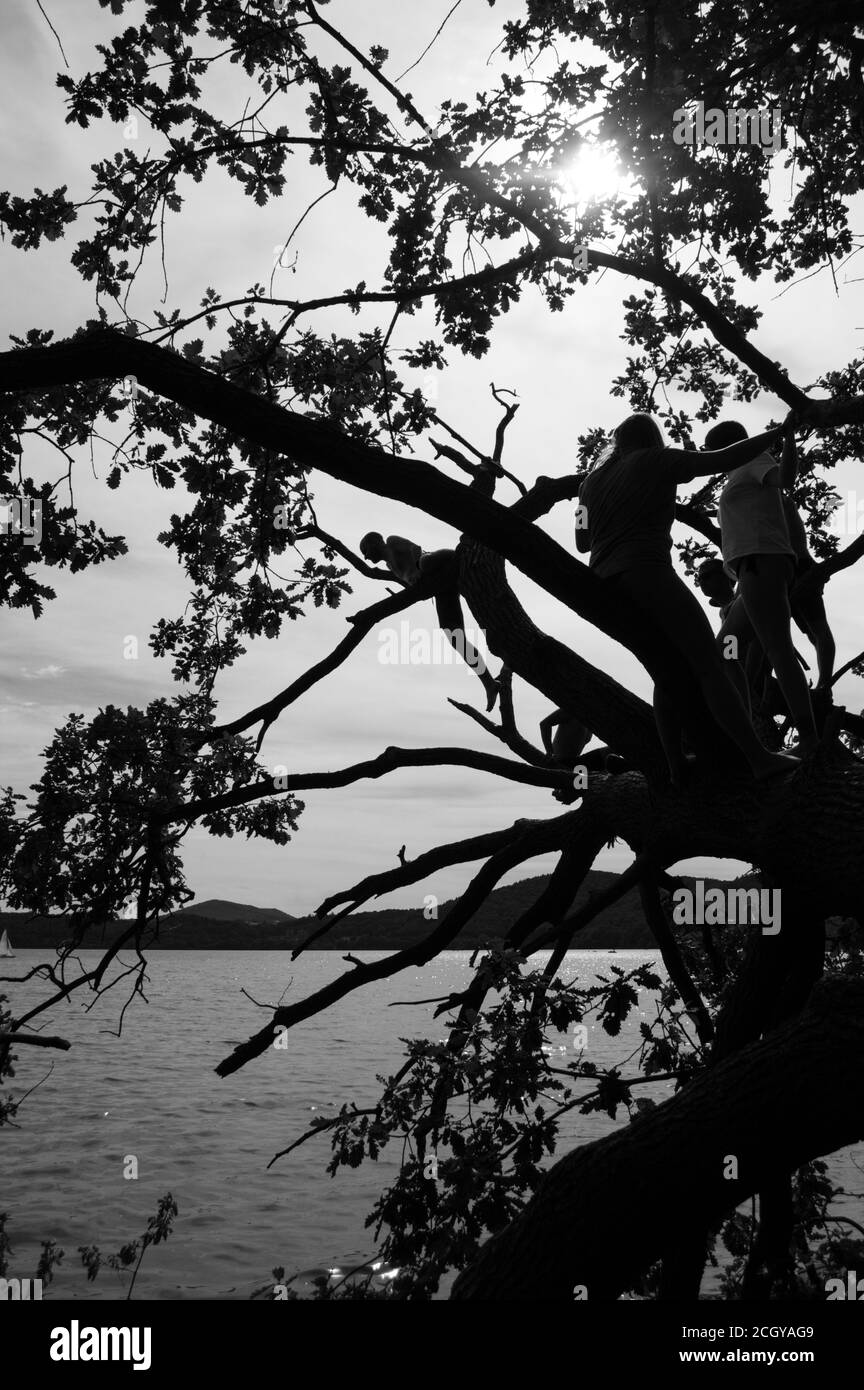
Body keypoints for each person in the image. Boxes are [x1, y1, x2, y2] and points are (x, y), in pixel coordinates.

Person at [576, 413, 799, 784]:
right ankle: (758, 758)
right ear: (654, 438)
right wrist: (779, 433)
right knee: (711, 665)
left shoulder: (589, 485)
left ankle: (676, 766)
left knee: (666, 671)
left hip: (603, 587)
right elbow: (720, 460)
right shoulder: (657, 460)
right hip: (646, 573)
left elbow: (582, 540)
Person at [707, 419, 820, 755]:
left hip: (764, 564)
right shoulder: (735, 475)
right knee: (726, 649)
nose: (712, 457)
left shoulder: (754, 459)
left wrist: (787, 439)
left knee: (777, 649)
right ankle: (748, 731)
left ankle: (810, 738)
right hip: (750, 573)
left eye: (714, 450)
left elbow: (785, 480)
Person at [359, 532, 500, 710]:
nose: (367, 556)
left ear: (374, 543)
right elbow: (410, 582)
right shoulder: (389, 566)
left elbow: (415, 549)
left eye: (366, 550)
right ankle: (488, 683)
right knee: (454, 636)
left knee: (425, 563)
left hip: (436, 563)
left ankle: (462, 554)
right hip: (439, 587)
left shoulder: (392, 541)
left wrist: (418, 570)